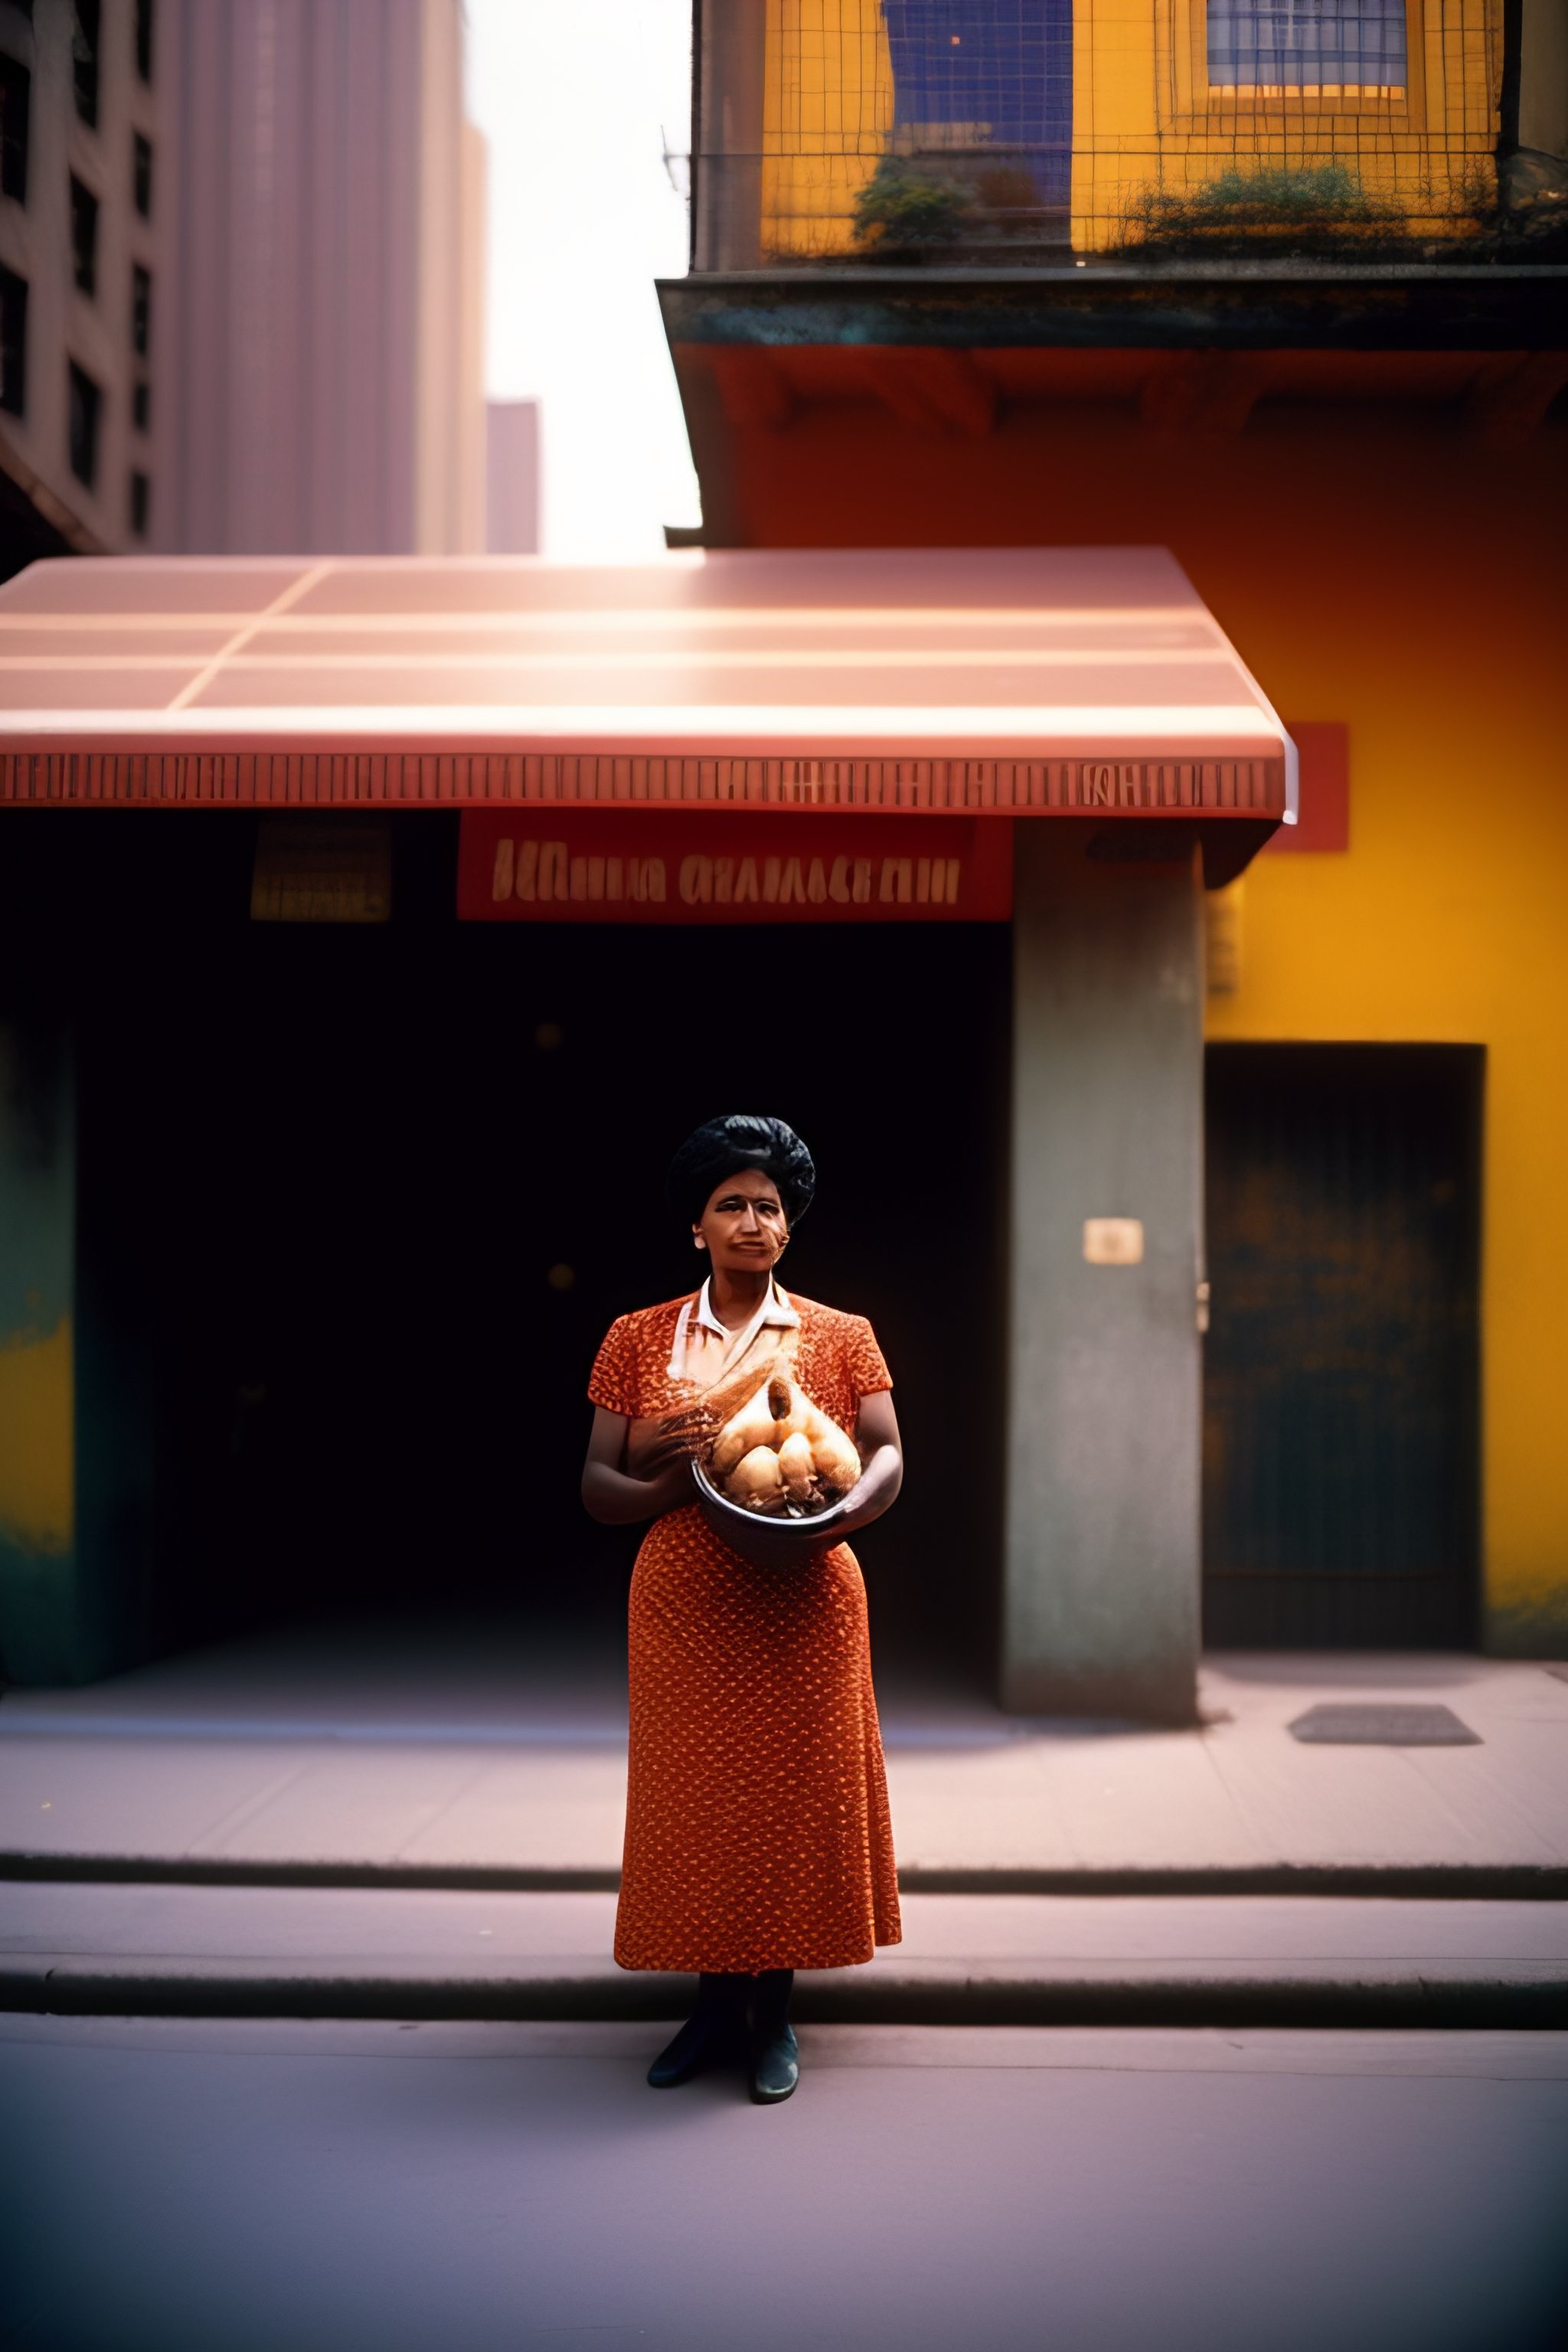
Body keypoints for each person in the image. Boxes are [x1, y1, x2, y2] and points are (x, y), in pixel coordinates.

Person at [581, 1112, 903, 2105]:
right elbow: (598, 1486)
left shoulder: (841, 1334)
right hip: (684, 1596)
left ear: (789, 1227)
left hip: (808, 1588)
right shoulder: (637, 1336)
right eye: (732, 1205)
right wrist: (680, 1480)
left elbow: (887, 1452)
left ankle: (774, 2013)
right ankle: (713, 2003)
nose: (752, 1220)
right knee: (698, 1799)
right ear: (698, 1226)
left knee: (796, 1796)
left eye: (769, 1205)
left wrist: (841, 1513)